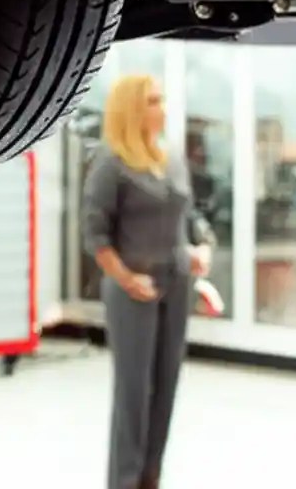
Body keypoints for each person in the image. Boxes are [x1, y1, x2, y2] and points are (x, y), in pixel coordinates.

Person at [82, 74, 213, 489]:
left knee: (166, 387)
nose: (163, 108)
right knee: (134, 393)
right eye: (154, 101)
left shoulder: (169, 158)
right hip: (131, 288)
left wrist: (200, 247)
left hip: (176, 284)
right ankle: (124, 480)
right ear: (132, 108)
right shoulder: (110, 163)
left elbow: (189, 217)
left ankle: (150, 478)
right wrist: (125, 278)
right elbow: (95, 234)